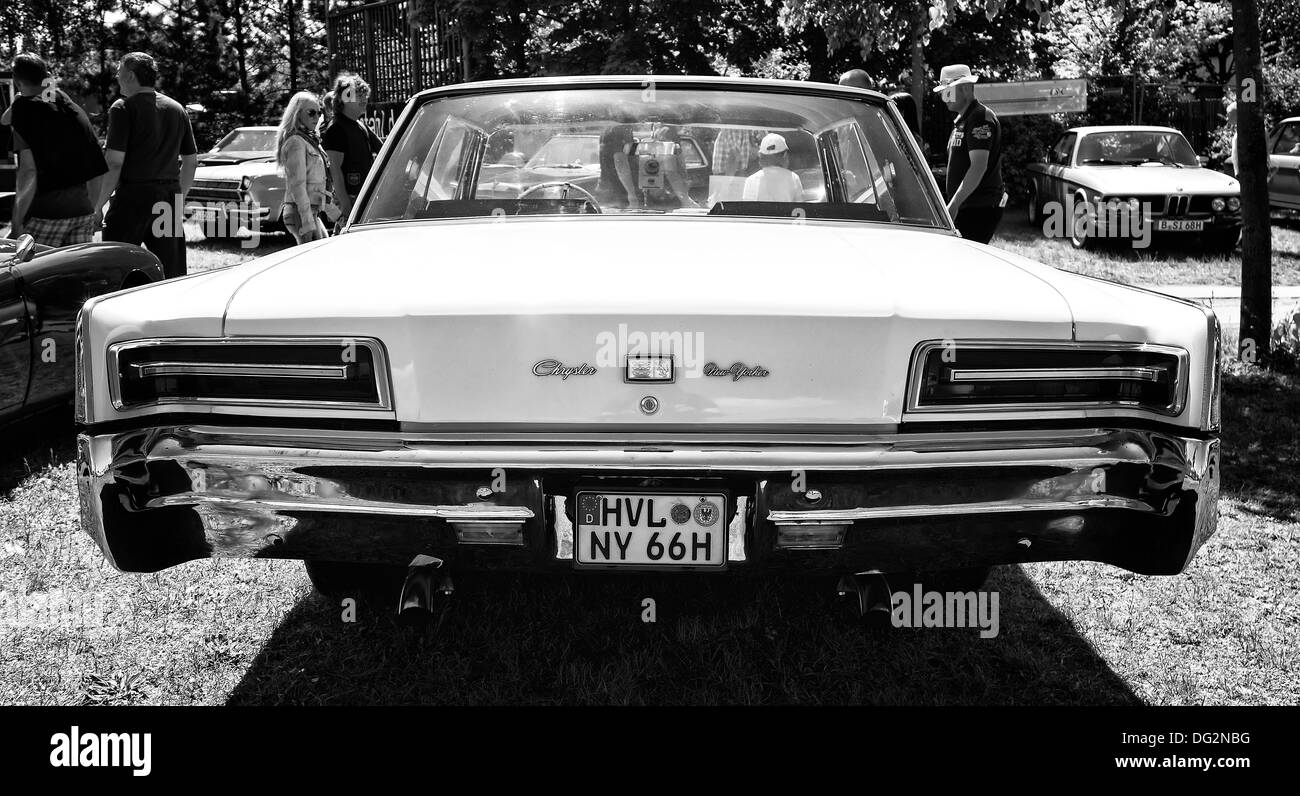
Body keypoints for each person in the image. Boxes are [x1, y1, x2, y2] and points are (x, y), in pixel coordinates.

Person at [97, 52, 198, 278]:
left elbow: (114, 163)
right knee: (172, 272)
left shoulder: (122, 108)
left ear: (131, 75)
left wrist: (97, 206)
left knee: (115, 267)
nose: (116, 76)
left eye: (119, 71)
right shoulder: (176, 108)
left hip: (132, 198)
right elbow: (191, 162)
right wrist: (178, 199)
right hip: (169, 197)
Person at [4, 54, 107, 247]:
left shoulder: (25, 112)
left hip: (46, 214)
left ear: (17, 82)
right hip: (83, 211)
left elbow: (28, 171)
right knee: (75, 275)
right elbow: (5, 119)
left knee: (32, 274)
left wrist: (17, 223)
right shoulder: (66, 104)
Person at [934, 63, 1004, 244]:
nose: (944, 97)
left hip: (978, 208)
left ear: (965, 89)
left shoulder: (980, 118)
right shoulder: (963, 120)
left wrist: (954, 204)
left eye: (948, 91)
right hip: (968, 206)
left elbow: (978, 166)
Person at [322, 74, 381, 223]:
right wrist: (347, 207)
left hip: (364, 199)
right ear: (343, 98)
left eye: (365, 94)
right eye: (358, 95)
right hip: (351, 204)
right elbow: (335, 170)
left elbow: (385, 150)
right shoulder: (336, 128)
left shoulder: (360, 125)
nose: (364, 99)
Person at [276, 91, 331, 244]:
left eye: (319, 113)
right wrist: (307, 222)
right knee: (313, 261)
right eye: (311, 113)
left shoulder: (311, 141)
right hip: (300, 213)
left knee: (322, 253)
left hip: (311, 212)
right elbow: (298, 185)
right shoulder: (296, 142)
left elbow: (320, 185)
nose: (317, 117)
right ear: (297, 114)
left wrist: (337, 214)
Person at [743, 133, 805, 203]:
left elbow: (747, 210)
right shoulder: (793, 178)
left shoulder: (751, 180)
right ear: (785, 155)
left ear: (761, 156)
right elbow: (800, 208)